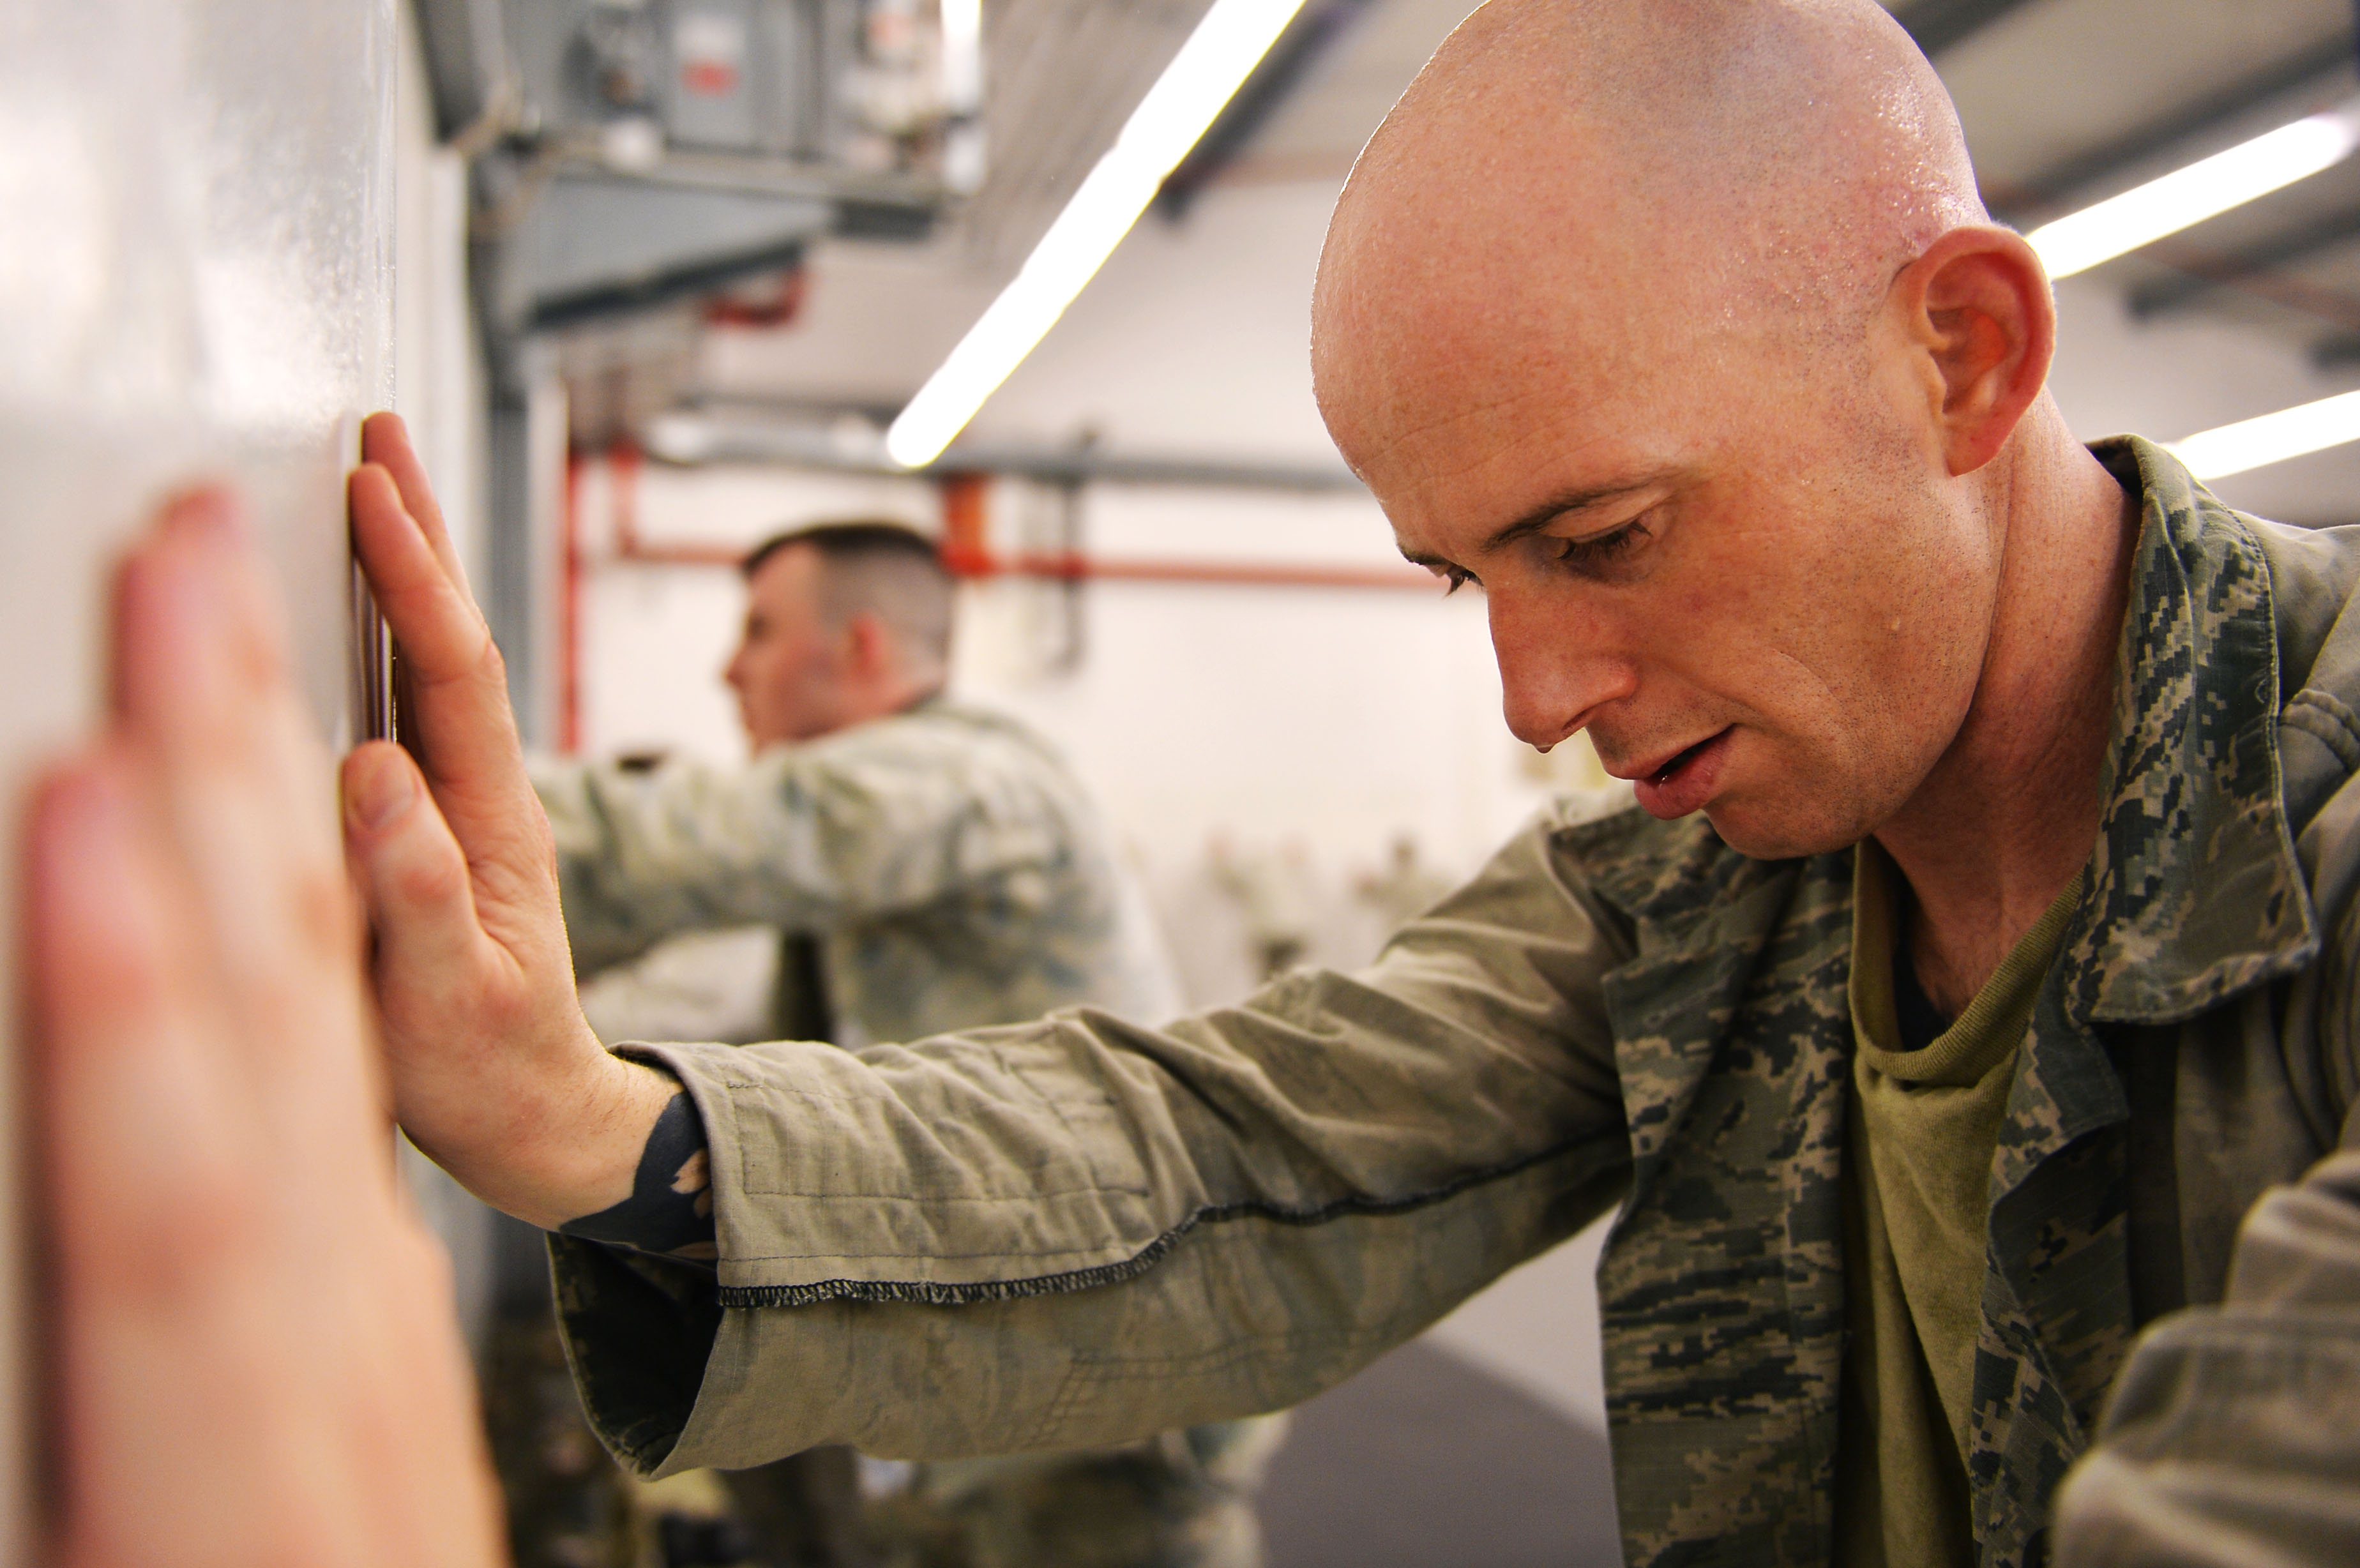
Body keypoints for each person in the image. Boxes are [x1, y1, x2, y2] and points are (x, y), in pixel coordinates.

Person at [38, 8, 2360, 1568]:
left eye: (1606, 536)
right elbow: (1246, 1148)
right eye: (1468, 579)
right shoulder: (1711, 872)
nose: (1536, 694)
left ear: (1958, 352)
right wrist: (588, 1118)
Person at [533, 518, 1275, 1567]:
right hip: (1022, 1349)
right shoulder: (911, 824)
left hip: (1113, 1386)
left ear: (863, 648)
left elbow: (693, 846)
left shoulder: (968, 781)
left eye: (758, 630)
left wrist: (427, 791)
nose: (727, 669)